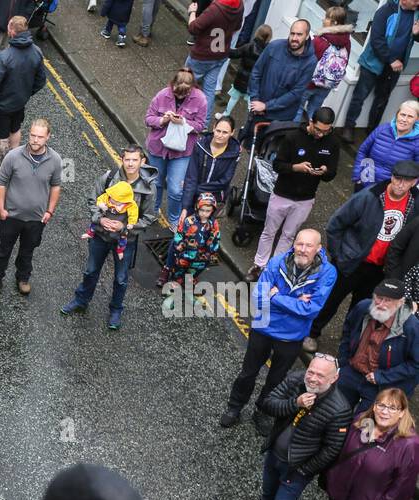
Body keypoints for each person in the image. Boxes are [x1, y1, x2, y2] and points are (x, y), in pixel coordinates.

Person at [234, 353, 352, 500]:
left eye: (320, 376)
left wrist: (304, 471)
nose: (313, 379)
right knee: (268, 496)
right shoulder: (296, 380)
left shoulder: (340, 409)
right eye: (311, 372)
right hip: (274, 456)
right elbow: (268, 403)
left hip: (297, 470)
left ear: (334, 379)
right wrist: (295, 403)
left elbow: (332, 449)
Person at [221, 228, 336, 429]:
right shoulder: (276, 262)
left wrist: (275, 296)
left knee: (276, 379)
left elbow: (311, 310)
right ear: (293, 245)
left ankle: (263, 411)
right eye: (299, 244)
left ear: (318, 249)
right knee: (247, 373)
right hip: (263, 328)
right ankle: (235, 406)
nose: (302, 249)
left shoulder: (328, 273)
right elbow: (258, 296)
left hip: (291, 338)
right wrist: (294, 302)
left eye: (309, 245)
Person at [308, 161, 419, 349]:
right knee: (330, 300)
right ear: (391, 177)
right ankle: (311, 333)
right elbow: (335, 224)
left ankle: (347, 344)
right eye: (397, 178)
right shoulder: (369, 196)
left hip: (381, 269)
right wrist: (340, 255)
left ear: (414, 182)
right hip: (353, 262)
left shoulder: (415, 203)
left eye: (406, 181)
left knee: (362, 309)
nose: (400, 184)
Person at [62, 146, 156, 329]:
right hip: (100, 235)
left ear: (142, 161)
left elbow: (149, 217)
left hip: (126, 240)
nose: (130, 163)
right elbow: (93, 199)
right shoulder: (109, 177)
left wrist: (126, 226)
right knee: (90, 270)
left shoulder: (148, 187)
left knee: (121, 278)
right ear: (122, 159)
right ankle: (81, 300)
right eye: (127, 159)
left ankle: (115, 310)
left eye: (134, 160)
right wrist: (100, 219)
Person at [247, 108, 338, 281]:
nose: (321, 134)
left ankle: (274, 268)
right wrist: (296, 167)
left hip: (305, 198)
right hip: (282, 194)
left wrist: (325, 171)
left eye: (326, 131)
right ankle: (259, 265)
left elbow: (332, 173)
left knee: (288, 236)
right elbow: (277, 165)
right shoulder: (293, 137)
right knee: (269, 231)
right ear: (311, 122)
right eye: (318, 129)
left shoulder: (332, 143)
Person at [0, 117, 62, 295]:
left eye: (40, 137)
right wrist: (1, 209)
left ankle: (23, 278)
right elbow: (1, 183)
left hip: (36, 219)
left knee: (27, 251)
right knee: (4, 249)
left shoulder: (55, 160)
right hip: (11, 216)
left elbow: (56, 186)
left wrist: (50, 211)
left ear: (48, 137)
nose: (35, 140)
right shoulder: (13, 156)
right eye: (32, 135)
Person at [334, 280, 419, 415]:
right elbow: (347, 331)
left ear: (400, 303)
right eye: (379, 297)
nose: (381, 304)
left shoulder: (412, 327)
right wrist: (342, 362)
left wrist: (382, 377)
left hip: (383, 384)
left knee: (363, 426)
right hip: (351, 372)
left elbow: (416, 365)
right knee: (333, 413)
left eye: (388, 300)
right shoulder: (363, 307)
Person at [340, 0, 419, 144]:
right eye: (415, 0)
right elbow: (376, 40)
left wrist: (416, 34)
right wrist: (391, 59)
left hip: (394, 68)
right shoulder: (386, 11)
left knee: (382, 101)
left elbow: (416, 38)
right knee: (359, 97)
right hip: (373, 63)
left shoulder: (417, 14)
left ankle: (373, 132)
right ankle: (348, 128)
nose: (418, 2)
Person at [145, 70, 208, 226]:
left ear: (192, 89)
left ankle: (174, 219)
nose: (179, 97)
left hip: (182, 152)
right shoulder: (162, 95)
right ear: (172, 85)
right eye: (176, 94)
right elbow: (148, 119)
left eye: (184, 95)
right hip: (158, 147)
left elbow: (201, 125)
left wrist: (184, 123)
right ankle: (153, 211)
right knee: (156, 183)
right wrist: (163, 119)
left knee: (175, 189)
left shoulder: (200, 99)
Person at [0, 17, 45, 160]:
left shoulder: (5, 56)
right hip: (20, 102)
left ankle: (4, 166)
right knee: (15, 128)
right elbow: (41, 80)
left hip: (2, 106)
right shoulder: (37, 51)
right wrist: (27, 92)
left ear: (11, 31)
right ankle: (16, 161)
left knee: (3, 137)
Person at [247, 19, 316, 127]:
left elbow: (296, 93)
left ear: (307, 36)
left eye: (299, 35)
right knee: (248, 141)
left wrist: (267, 106)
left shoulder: (310, 62)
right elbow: (256, 72)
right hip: (258, 110)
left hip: (282, 118)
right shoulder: (274, 47)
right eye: (292, 33)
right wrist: (255, 99)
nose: (294, 38)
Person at [183, 0, 243, 118]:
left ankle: (180, 114)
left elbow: (193, 28)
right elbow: (237, 27)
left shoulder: (215, 9)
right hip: (220, 56)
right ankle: (204, 122)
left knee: (185, 82)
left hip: (202, 55)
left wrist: (192, 12)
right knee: (209, 91)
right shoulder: (240, 5)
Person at [157, 192, 222, 290]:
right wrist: (179, 246)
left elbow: (216, 238)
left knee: (195, 270)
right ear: (197, 208)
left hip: (202, 256)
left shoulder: (213, 224)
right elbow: (179, 234)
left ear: (212, 211)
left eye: (208, 211)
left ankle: (190, 279)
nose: (204, 213)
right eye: (202, 210)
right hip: (185, 253)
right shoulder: (189, 221)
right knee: (179, 269)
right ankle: (176, 281)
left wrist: (211, 252)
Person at [299, 6, 351, 122]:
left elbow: (305, 61)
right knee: (314, 113)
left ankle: (293, 135)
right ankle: (310, 135)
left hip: (309, 83)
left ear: (335, 22)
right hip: (327, 85)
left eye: (327, 18)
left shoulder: (319, 41)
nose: (323, 20)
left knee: (297, 110)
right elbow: (345, 62)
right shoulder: (347, 42)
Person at [180, 115, 241, 214]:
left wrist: (196, 189)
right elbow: (192, 176)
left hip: (214, 200)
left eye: (225, 132)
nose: (220, 135)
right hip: (193, 197)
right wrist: (185, 207)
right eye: (218, 131)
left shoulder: (235, 153)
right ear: (213, 128)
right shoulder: (200, 146)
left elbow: (224, 181)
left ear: (232, 133)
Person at [354, 101, 419, 191]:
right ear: (397, 114)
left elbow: (417, 172)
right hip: (364, 183)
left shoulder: (417, 142)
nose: (404, 119)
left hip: (389, 191)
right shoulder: (382, 129)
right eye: (402, 114)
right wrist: (358, 176)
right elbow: (363, 151)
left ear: (417, 119)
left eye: (410, 116)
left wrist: (401, 189)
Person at [218, 24, 270, 118]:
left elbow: (234, 53)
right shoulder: (268, 51)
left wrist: (223, 46)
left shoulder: (249, 46)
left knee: (234, 97)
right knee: (251, 103)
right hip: (254, 82)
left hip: (241, 78)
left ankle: (226, 114)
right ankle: (247, 122)